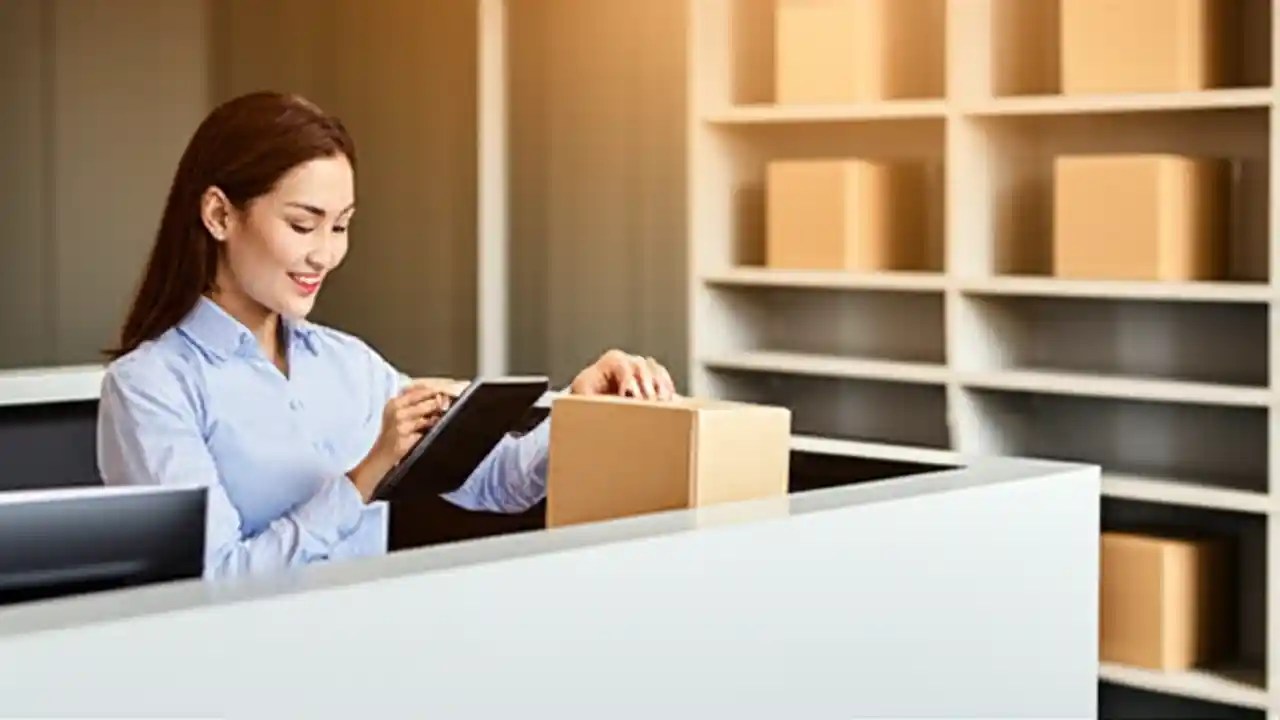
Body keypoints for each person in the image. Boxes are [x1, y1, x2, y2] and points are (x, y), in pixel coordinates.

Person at [96, 91, 676, 580]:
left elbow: (498, 483)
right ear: (220, 215)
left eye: (342, 225)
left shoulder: (350, 365)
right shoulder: (150, 386)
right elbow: (214, 583)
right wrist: (364, 478)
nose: (325, 254)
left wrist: (583, 412)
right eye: (303, 224)